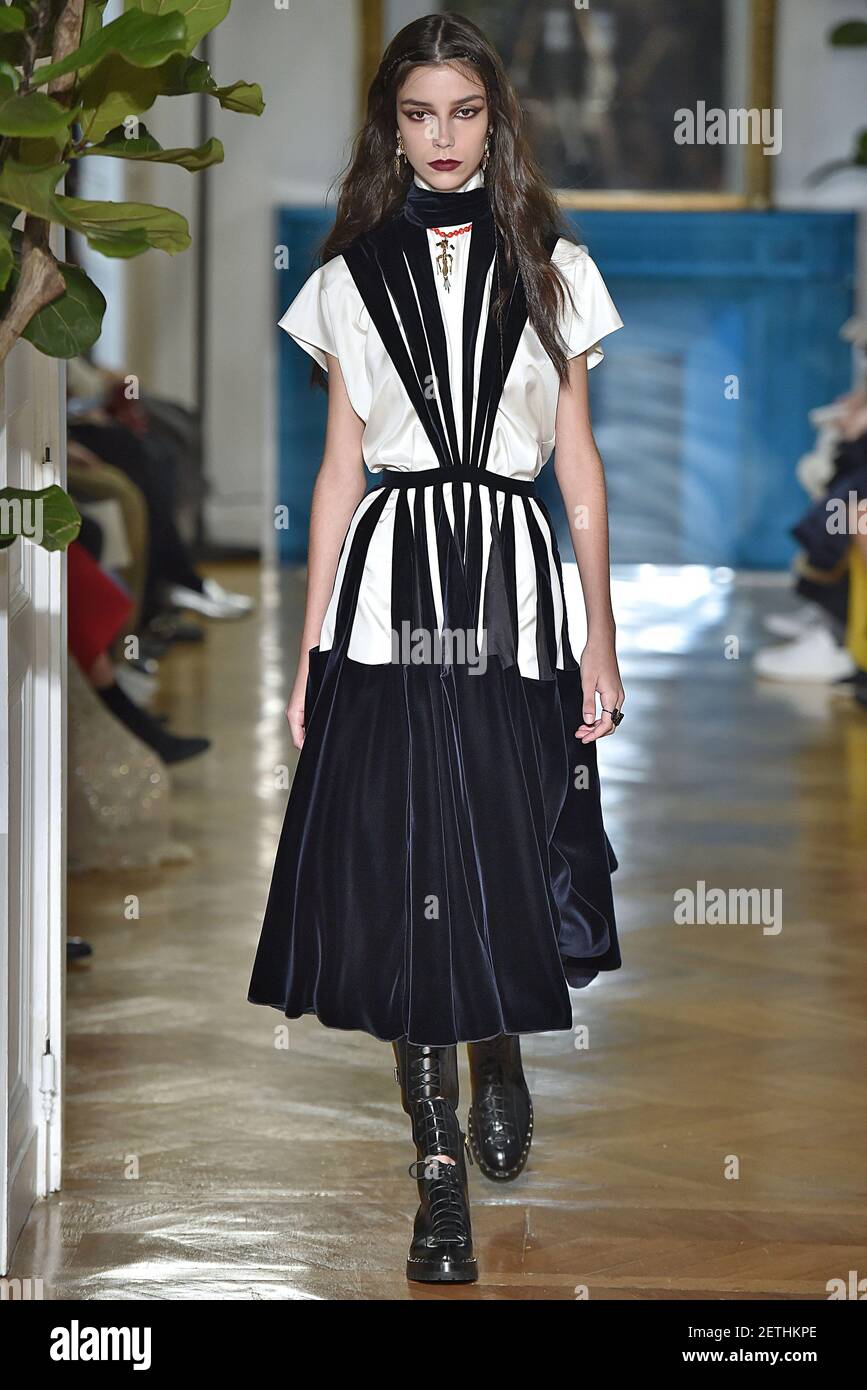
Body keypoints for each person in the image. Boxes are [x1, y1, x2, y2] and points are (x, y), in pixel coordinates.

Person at [248, 12, 626, 1286]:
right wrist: (308, 654)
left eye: (464, 111)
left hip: (516, 591)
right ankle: (436, 1174)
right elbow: (341, 467)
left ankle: (503, 1048)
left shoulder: (555, 265)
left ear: (495, 119)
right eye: (419, 114)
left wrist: (603, 641)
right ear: (390, 125)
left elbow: (578, 464)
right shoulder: (345, 276)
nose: (443, 136)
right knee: (409, 864)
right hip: (389, 597)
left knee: (507, 843)